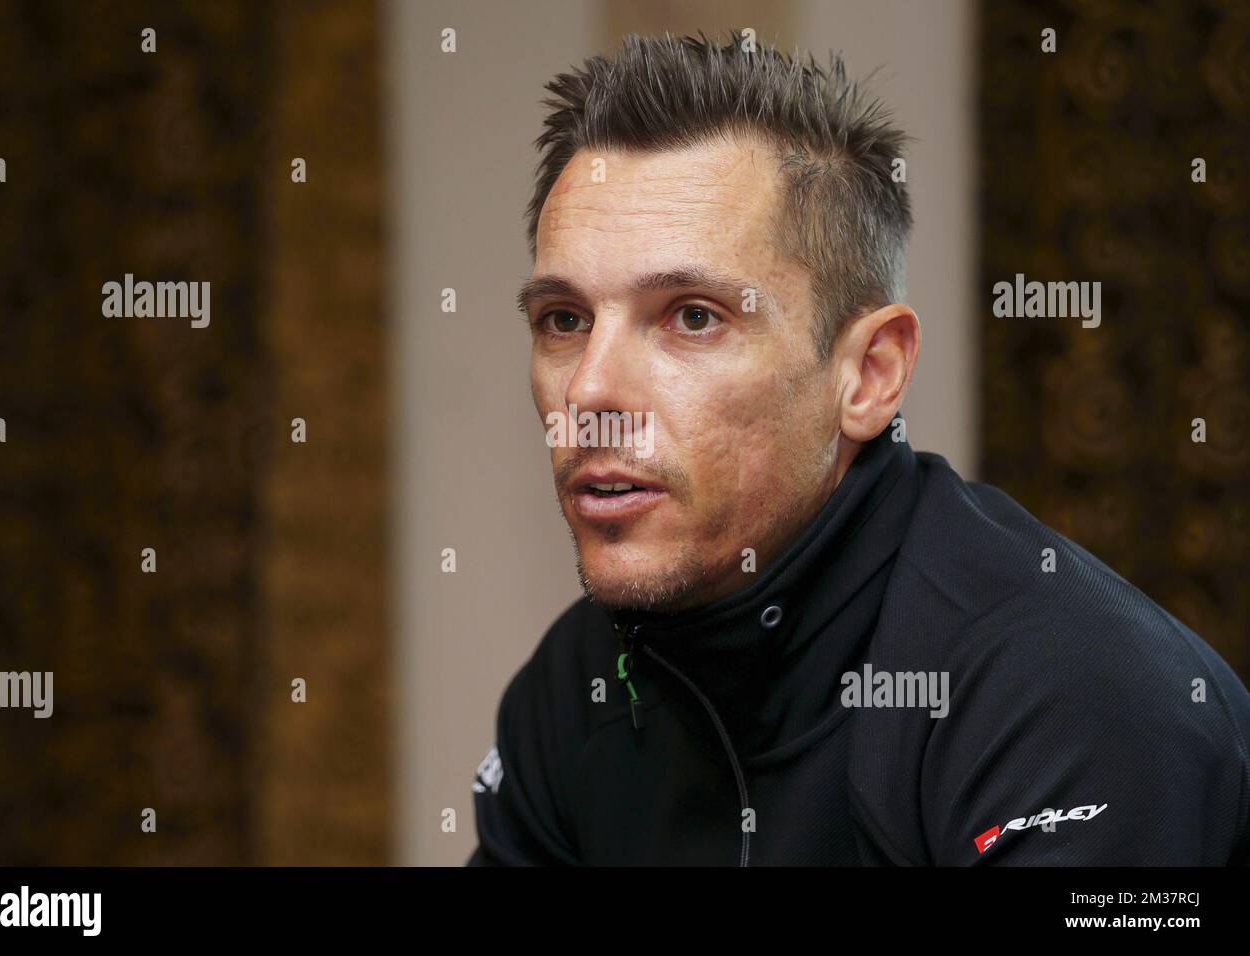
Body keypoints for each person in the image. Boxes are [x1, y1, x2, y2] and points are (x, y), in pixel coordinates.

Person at [466, 32, 1250, 865]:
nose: (588, 394)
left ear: (870, 375)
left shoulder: (1069, 695)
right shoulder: (573, 686)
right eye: (564, 320)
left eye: (693, 316)